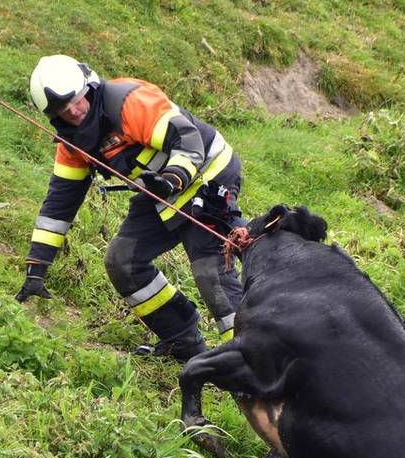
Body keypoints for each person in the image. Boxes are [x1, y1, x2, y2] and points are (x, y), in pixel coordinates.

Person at [16, 54, 246, 362]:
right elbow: (59, 205)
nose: (73, 111)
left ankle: (250, 359)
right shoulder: (71, 145)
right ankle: (183, 340)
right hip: (160, 192)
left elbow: (188, 139)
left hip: (207, 175)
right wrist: (37, 268)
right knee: (122, 261)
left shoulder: (129, 101)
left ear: (89, 85)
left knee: (210, 273)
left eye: (75, 99)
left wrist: (172, 179)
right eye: (61, 110)